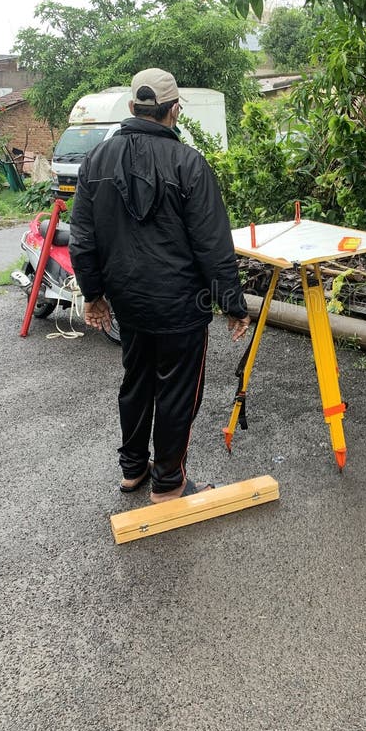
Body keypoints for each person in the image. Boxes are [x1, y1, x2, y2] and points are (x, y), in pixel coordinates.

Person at [70, 68, 251, 503]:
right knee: (177, 388)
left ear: (132, 109)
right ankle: (169, 481)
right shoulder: (190, 163)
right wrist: (232, 304)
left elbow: (83, 236)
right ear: (174, 110)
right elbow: (212, 245)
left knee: (137, 381)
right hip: (180, 305)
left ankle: (134, 469)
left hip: (128, 303)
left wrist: (94, 296)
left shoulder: (95, 161)